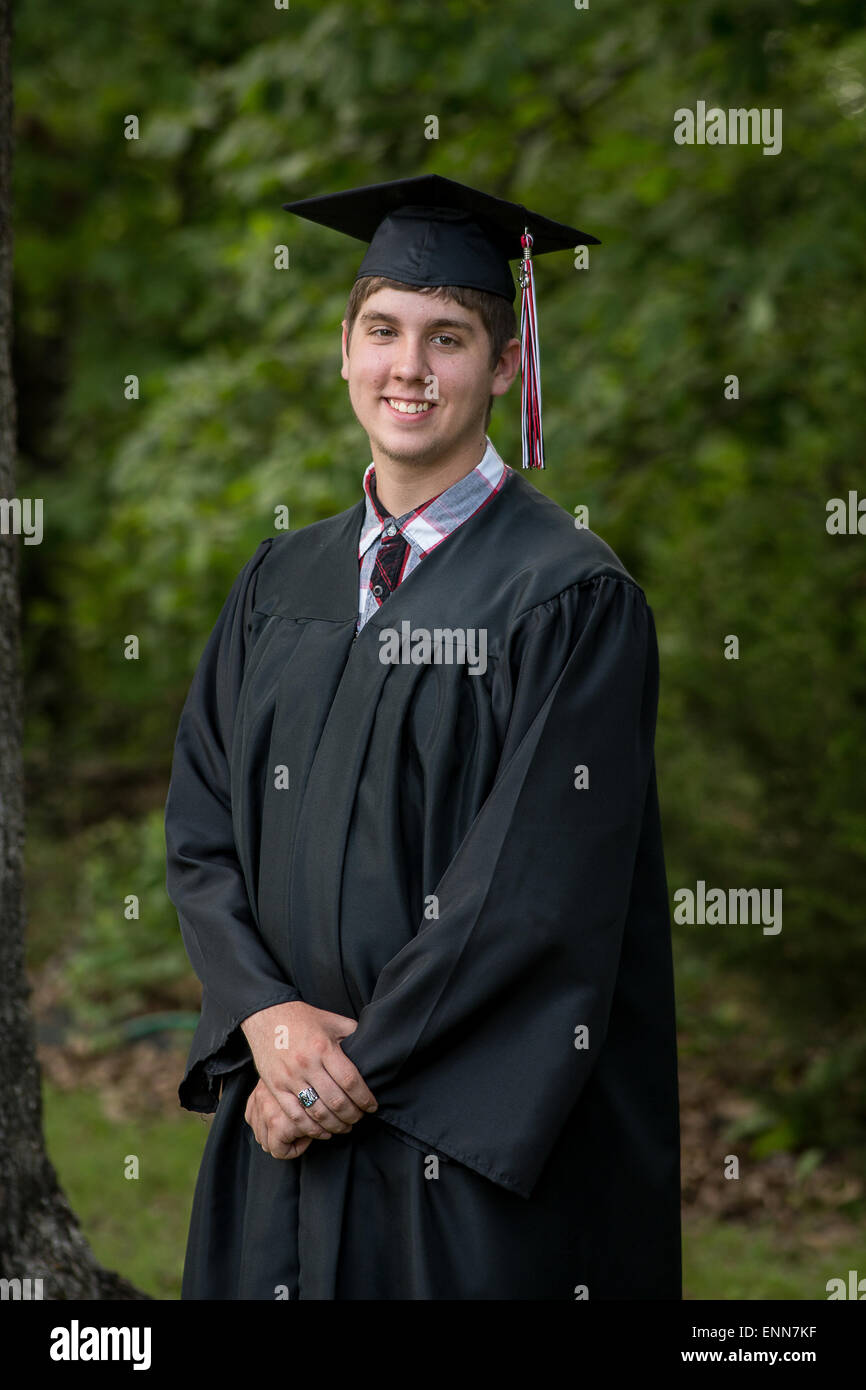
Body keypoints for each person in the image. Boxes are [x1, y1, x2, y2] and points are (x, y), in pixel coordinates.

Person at [164, 175, 681, 1300]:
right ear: (343, 348)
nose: (410, 368)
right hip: (279, 1112)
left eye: (447, 338)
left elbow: (529, 898)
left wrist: (333, 1076)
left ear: (503, 365)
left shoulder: (567, 598)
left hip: (454, 1147)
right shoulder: (278, 581)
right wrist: (264, 1020)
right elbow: (201, 827)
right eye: (384, 331)